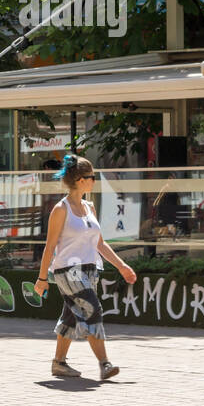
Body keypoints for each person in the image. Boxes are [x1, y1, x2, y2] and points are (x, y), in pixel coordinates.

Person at [35, 154, 136, 381]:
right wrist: (42, 279)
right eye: (92, 177)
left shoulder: (89, 207)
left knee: (71, 315)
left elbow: (99, 243)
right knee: (92, 309)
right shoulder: (61, 209)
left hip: (90, 270)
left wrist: (121, 266)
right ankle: (104, 364)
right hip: (67, 271)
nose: (94, 180)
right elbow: (49, 246)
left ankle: (59, 364)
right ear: (81, 180)